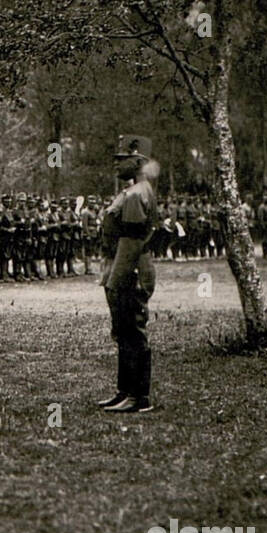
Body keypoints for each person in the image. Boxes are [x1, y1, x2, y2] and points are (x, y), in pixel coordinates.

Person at [99, 143, 160, 414]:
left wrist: (116, 277)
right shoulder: (134, 191)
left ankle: (139, 396)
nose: (116, 164)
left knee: (133, 331)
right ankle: (125, 391)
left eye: (122, 159)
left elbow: (132, 241)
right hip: (124, 265)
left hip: (129, 267)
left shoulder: (136, 194)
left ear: (137, 162)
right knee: (124, 331)